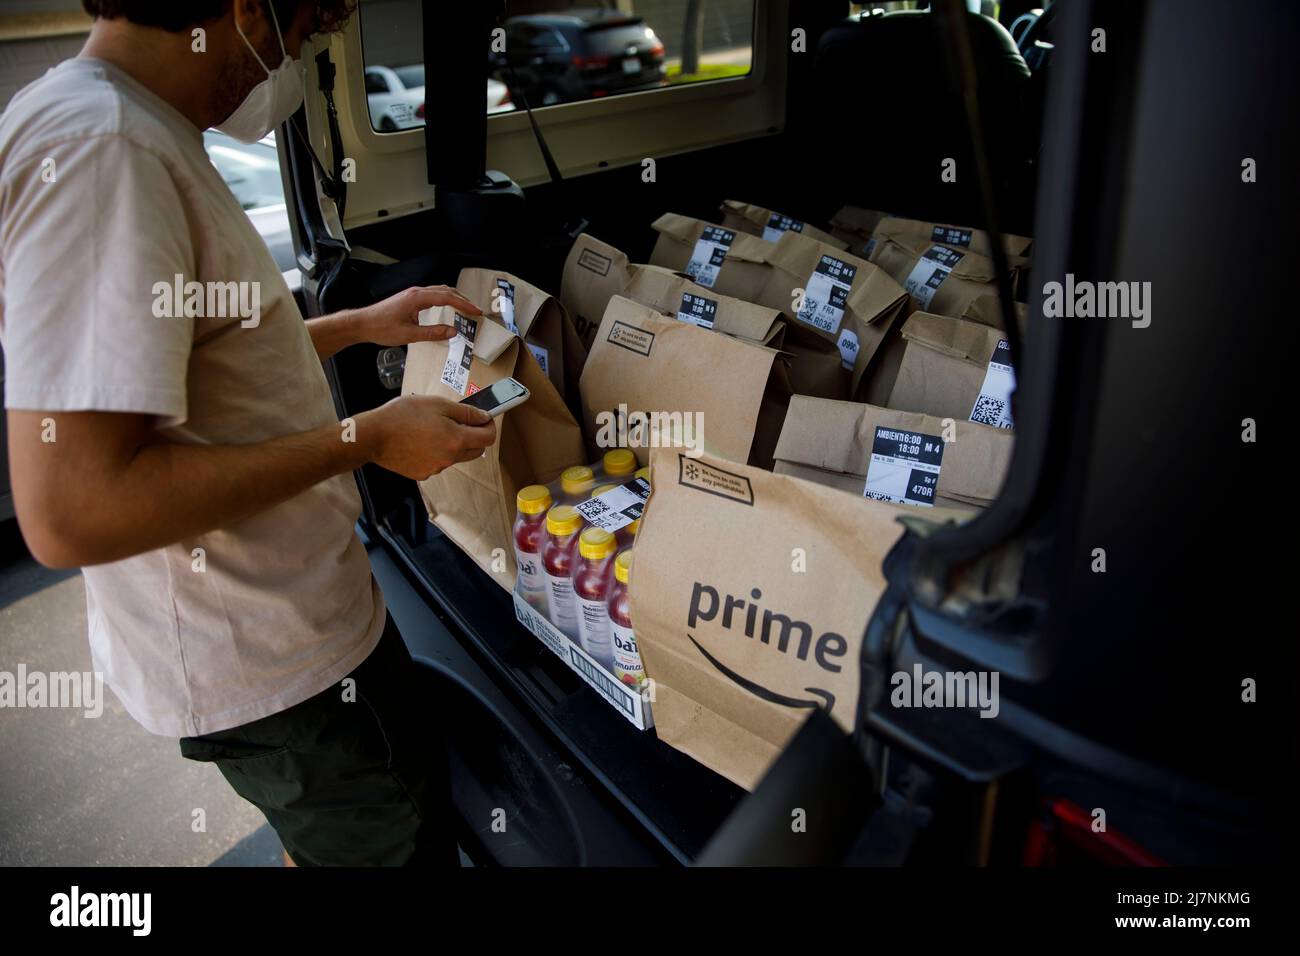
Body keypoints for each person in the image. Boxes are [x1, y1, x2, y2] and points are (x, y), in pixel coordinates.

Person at [0, 0, 492, 866]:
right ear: (244, 9)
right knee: (388, 843)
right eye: (300, 30)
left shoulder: (109, 120)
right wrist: (367, 439)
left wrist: (357, 325)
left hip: (280, 632)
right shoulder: (104, 154)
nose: (294, 61)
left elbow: (186, 369)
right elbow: (76, 508)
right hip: (276, 660)